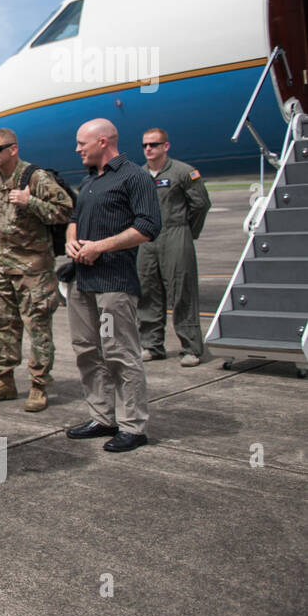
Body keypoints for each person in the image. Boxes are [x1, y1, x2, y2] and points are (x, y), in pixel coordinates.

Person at [65, 118, 161, 453]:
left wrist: (100, 247)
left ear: (103, 141)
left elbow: (148, 226)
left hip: (113, 284)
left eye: (82, 143)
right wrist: (72, 241)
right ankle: (102, 417)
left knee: (119, 352)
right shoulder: (90, 180)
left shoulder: (134, 176)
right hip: (82, 282)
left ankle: (133, 426)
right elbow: (74, 219)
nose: (77, 149)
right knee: (86, 351)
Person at [0, 128, 73, 412]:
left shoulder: (35, 177)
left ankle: (39, 385)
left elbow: (66, 210)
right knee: (1, 325)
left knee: (38, 328)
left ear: (13, 149)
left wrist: (29, 201)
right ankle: (4, 380)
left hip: (33, 269)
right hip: (0, 267)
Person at [137, 128, 211, 366]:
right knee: (147, 290)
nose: (149, 149)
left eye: (154, 144)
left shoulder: (184, 172)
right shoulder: (138, 175)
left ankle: (191, 348)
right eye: (145, 145)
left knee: (182, 291)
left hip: (176, 233)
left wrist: (188, 232)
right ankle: (151, 345)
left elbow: (201, 204)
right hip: (147, 239)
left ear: (166, 146)